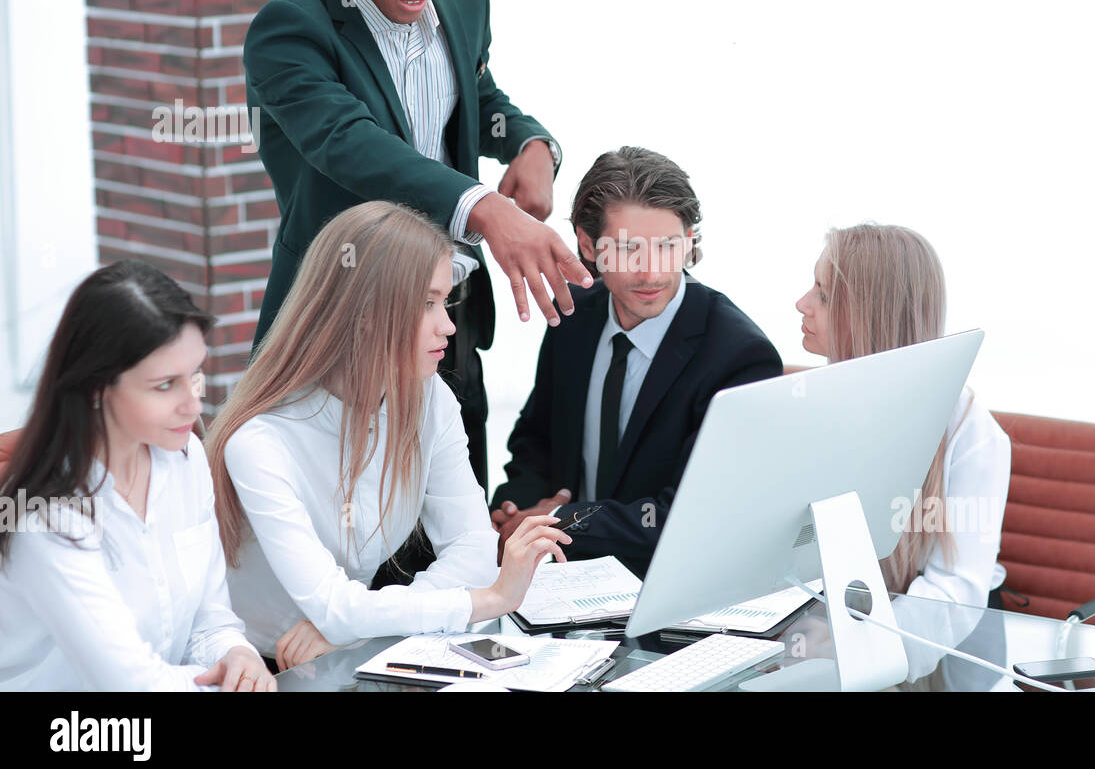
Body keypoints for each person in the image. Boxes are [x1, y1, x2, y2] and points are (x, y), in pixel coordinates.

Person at [243, 0, 591, 498]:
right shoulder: (288, 28)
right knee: (361, 556)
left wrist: (533, 145)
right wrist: (486, 208)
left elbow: (479, 99)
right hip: (346, 330)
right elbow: (348, 142)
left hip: (451, 322)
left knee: (461, 550)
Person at [206, 201, 570, 671]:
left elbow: (474, 551)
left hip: (344, 654)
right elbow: (335, 606)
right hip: (254, 670)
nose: (449, 326)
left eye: (445, 300)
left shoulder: (430, 397)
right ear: (364, 314)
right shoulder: (260, 442)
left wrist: (357, 628)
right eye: (426, 304)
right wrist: (492, 598)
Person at [490, 148, 783, 577]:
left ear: (689, 239)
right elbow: (536, 441)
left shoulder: (739, 356)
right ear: (587, 245)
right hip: (557, 586)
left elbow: (691, 515)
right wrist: (516, 506)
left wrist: (550, 524)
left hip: (670, 599)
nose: (651, 274)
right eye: (628, 250)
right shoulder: (573, 316)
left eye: (668, 248)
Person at [0, 261, 273, 691]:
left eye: (195, 376)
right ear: (96, 388)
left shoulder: (187, 461)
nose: (193, 405)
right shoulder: (47, 516)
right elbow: (132, 683)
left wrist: (236, 654)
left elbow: (209, 621)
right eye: (165, 385)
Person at [794, 224, 1011, 610]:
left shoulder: (969, 431)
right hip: (821, 620)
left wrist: (847, 647)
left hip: (924, 645)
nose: (801, 303)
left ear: (869, 314)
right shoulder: (806, 403)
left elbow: (955, 594)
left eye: (824, 296)